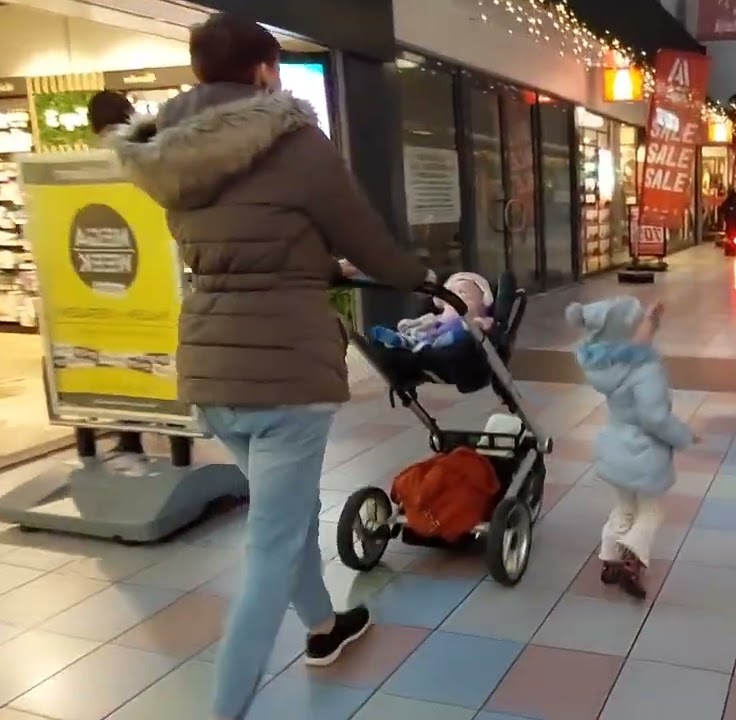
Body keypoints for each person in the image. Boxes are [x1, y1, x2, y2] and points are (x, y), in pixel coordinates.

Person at [106, 13, 430, 719]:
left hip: (213, 369)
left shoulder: (165, 155)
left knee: (289, 515)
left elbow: (239, 240)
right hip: (285, 368)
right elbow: (365, 237)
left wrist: (302, 254)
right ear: (262, 71)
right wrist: (416, 273)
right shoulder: (295, 141)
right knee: (270, 550)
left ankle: (323, 627)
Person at [567, 297, 695, 599]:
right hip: (644, 452)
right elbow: (655, 417)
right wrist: (684, 436)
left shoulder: (608, 364)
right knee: (650, 511)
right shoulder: (645, 369)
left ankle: (609, 560)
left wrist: (650, 318)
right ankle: (632, 561)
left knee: (624, 508)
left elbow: (633, 331)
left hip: (615, 448)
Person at [87, 90, 147, 456]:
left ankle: (129, 436)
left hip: (106, 268)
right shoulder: (149, 153)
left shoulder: (92, 160)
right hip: (149, 271)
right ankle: (176, 435)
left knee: (118, 355)